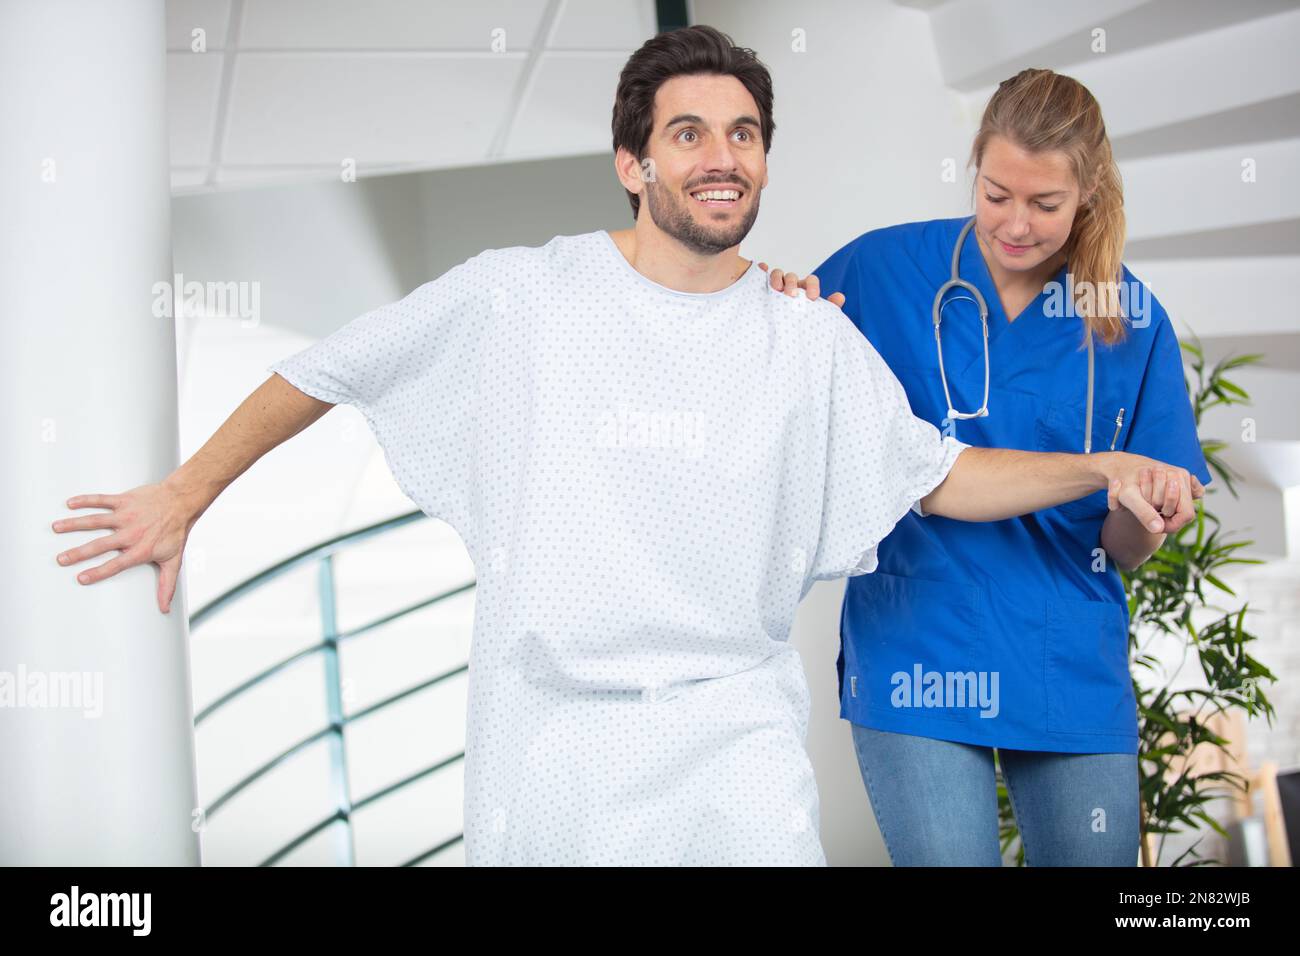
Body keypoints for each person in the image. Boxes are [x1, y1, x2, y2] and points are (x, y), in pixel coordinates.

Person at [52, 32, 1199, 866]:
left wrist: (1103, 471)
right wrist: (186, 492)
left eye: (744, 133)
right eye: (688, 132)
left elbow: (943, 475)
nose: (721, 155)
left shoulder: (808, 338)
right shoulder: (522, 295)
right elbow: (334, 364)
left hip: (736, 739)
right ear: (629, 160)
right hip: (555, 738)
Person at [762, 68, 1212, 866]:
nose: (1015, 224)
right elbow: (769, 374)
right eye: (997, 192)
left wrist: (1144, 513)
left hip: (1065, 657)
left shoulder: (1131, 320)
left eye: (1045, 205)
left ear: (1088, 195)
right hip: (920, 649)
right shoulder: (881, 271)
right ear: (976, 163)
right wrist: (781, 304)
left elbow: (1130, 545)